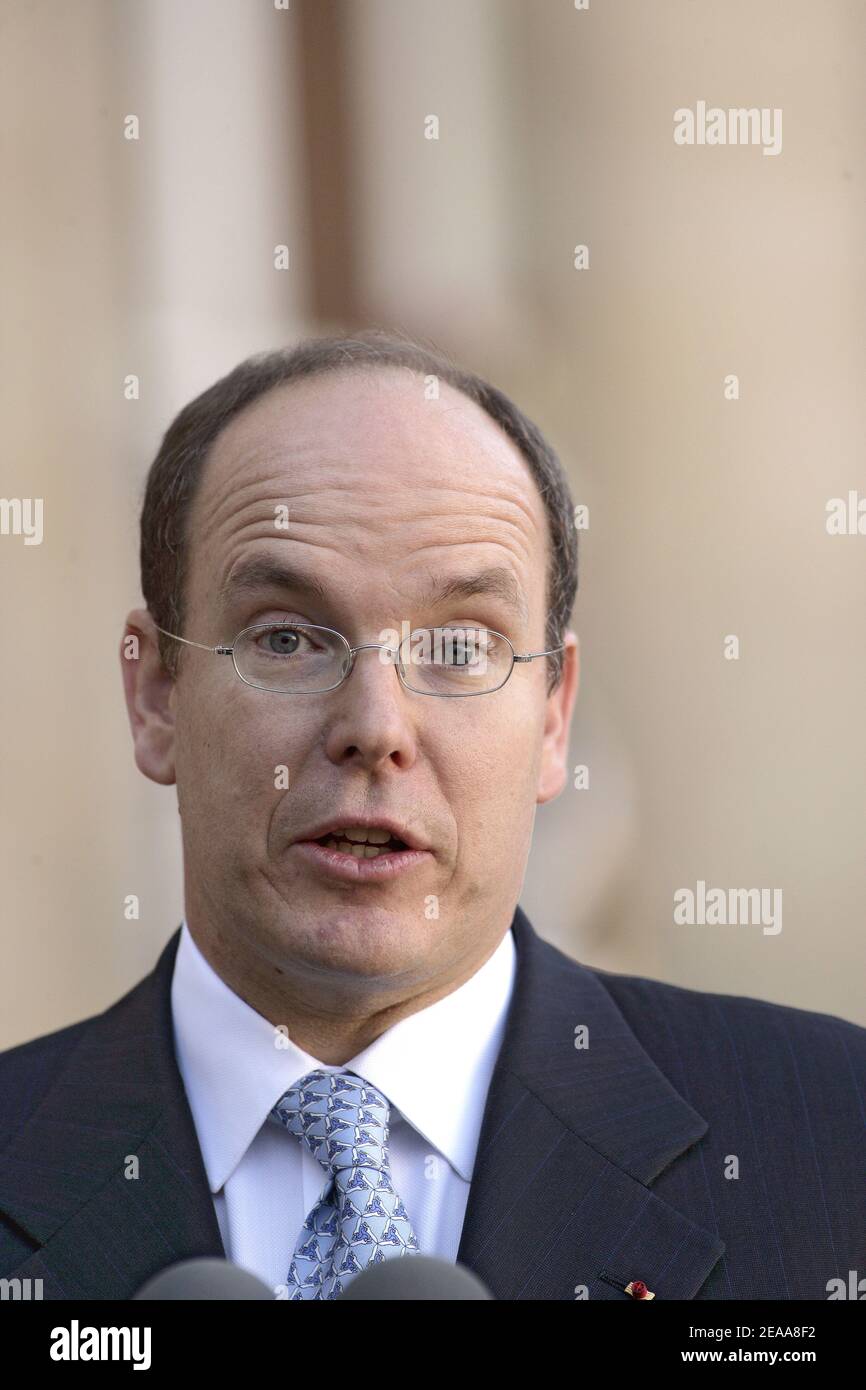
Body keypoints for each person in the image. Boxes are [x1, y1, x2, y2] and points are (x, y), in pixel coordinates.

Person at [0, 330, 863, 1301]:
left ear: (551, 715)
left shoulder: (831, 1141)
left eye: (458, 644)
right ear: (157, 691)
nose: (375, 727)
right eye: (285, 637)